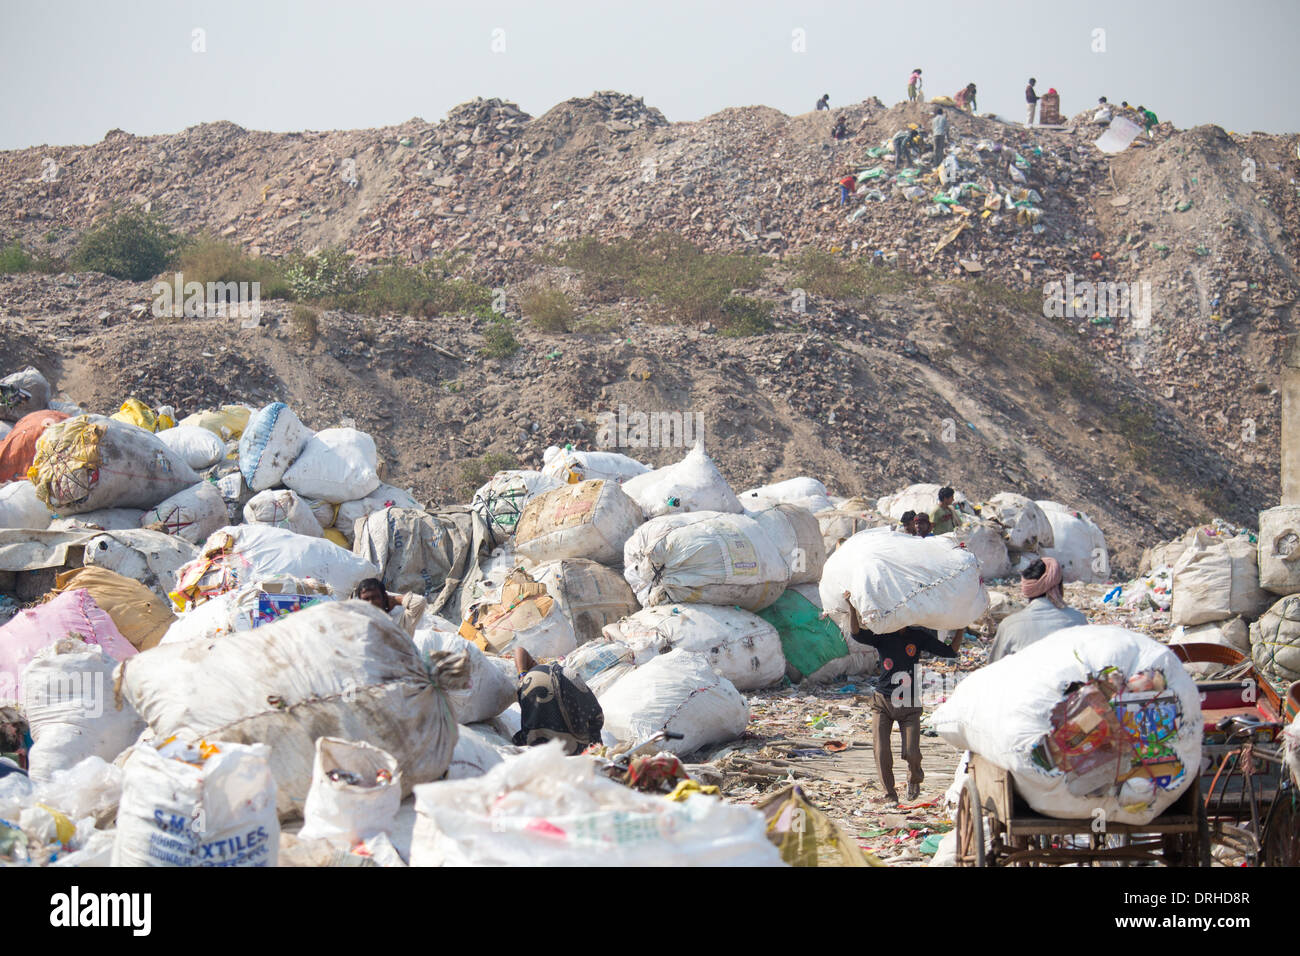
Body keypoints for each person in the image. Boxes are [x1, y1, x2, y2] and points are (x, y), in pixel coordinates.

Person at [844, 591, 957, 803]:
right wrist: (851, 606)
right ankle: (890, 795)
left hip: (909, 702)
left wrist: (960, 626)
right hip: (882, 701)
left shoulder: (919, 636)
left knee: (911, 752)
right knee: (881, 751)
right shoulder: (883, 635)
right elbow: (856, 633)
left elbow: (950, 651)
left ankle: (915, 776)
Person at [987, 557, 1088, 663]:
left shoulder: (1009, 626)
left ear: (1026, 590)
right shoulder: (1078, 620)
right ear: (1059, 587)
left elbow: (994, 669)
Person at [511, 647, 605, 754]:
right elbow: (596, 715)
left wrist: (522, 675)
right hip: (568, 679)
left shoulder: (527, 680)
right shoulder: (555, 670)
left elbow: (519, 649)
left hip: (534, 681)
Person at [356, 577, 427, 637]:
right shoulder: (356, 623)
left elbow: (419, 601)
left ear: (384, 597)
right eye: (366, 599)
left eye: (375, 597)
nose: (370, 603)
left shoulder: (399, 622)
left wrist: (394, 600)